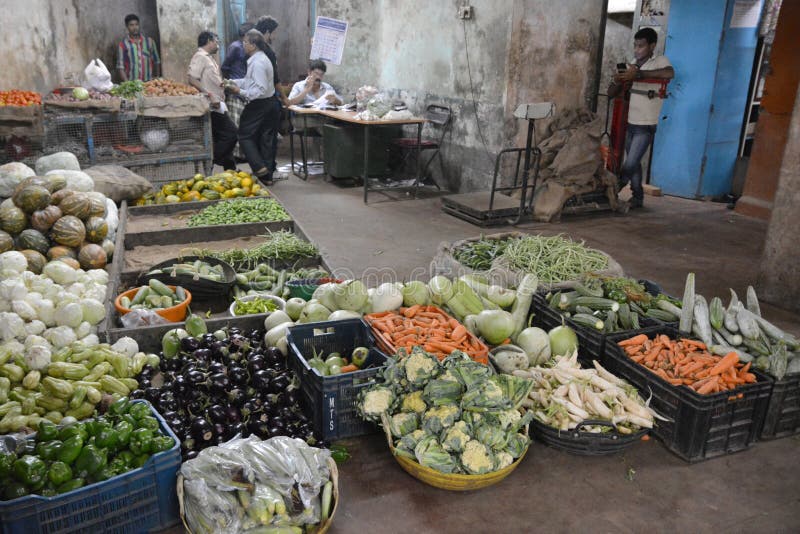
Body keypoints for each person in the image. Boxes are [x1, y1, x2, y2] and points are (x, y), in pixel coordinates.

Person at [608, 27, 674, 209]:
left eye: (641, 46)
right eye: (635, 46)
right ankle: (637, 197)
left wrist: (638, 74)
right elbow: (612, 92)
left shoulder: (660, 61)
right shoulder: (632, 63)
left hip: (646, 124)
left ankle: (615, 187)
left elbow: (669, 73)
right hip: (631, 121)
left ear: (652, 46)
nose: (636, 50)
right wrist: (618, 80)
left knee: (630, 163)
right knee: (635, 163)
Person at [228, 29, 280, 185]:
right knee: (265, 139)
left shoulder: (258, 63)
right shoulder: (259, 59)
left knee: (244, 135)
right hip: (269, 103)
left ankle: (259, 168)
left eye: (245, 42)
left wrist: (239, 92)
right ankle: (267, 177)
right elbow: (249, 81)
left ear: (253, 45)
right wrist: (232, 82)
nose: (243, 44)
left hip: (260, 104)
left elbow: (259, 89)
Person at [188, 31, 238, 171]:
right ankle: (212, 158)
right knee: (231, 133)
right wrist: (210, 94)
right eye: (217, 41)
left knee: (220, 136)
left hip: (217, 103)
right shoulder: (200, 56)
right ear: (209, 41)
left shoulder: (209, 58)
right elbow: (192, 79)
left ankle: (230, 170)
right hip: (210, 105)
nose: (218, 45)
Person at [116, 13, 161, 82]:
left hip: (149, 83)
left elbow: (157, 61)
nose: (135, 27)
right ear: (127, 27)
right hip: (133, 83)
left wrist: (157, 78)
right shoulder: (123, 45)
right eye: (131, 25)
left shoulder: (149, 42)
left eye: (136, 24)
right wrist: (127, 83)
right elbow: (120, 67)